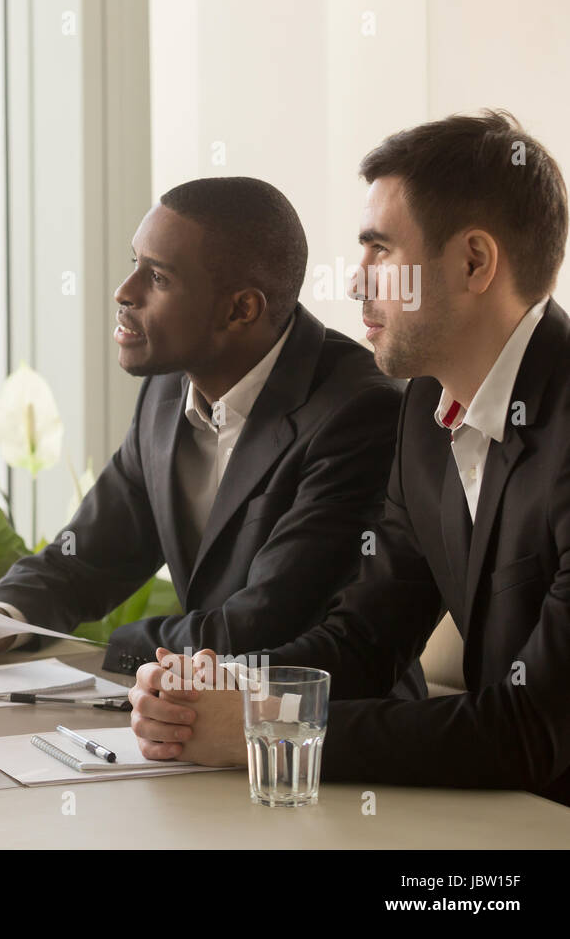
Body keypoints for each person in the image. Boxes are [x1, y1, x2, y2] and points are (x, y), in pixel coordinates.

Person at [130, 110, 570, 807]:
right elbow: (365, 641)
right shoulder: (424, 417)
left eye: (380, 252)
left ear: (474, 262)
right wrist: (223, 689)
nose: (355, 284)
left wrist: (259, 724)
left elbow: (534, 730)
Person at [0, 177, 422, 699]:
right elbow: (86, 557)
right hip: (192, 718)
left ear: (240, 309)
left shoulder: (359, 412)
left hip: (314, 740)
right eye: (134, 263)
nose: (124, 292)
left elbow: (261, 628)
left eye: (157, 277)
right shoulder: (167, 389)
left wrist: (116, 647)